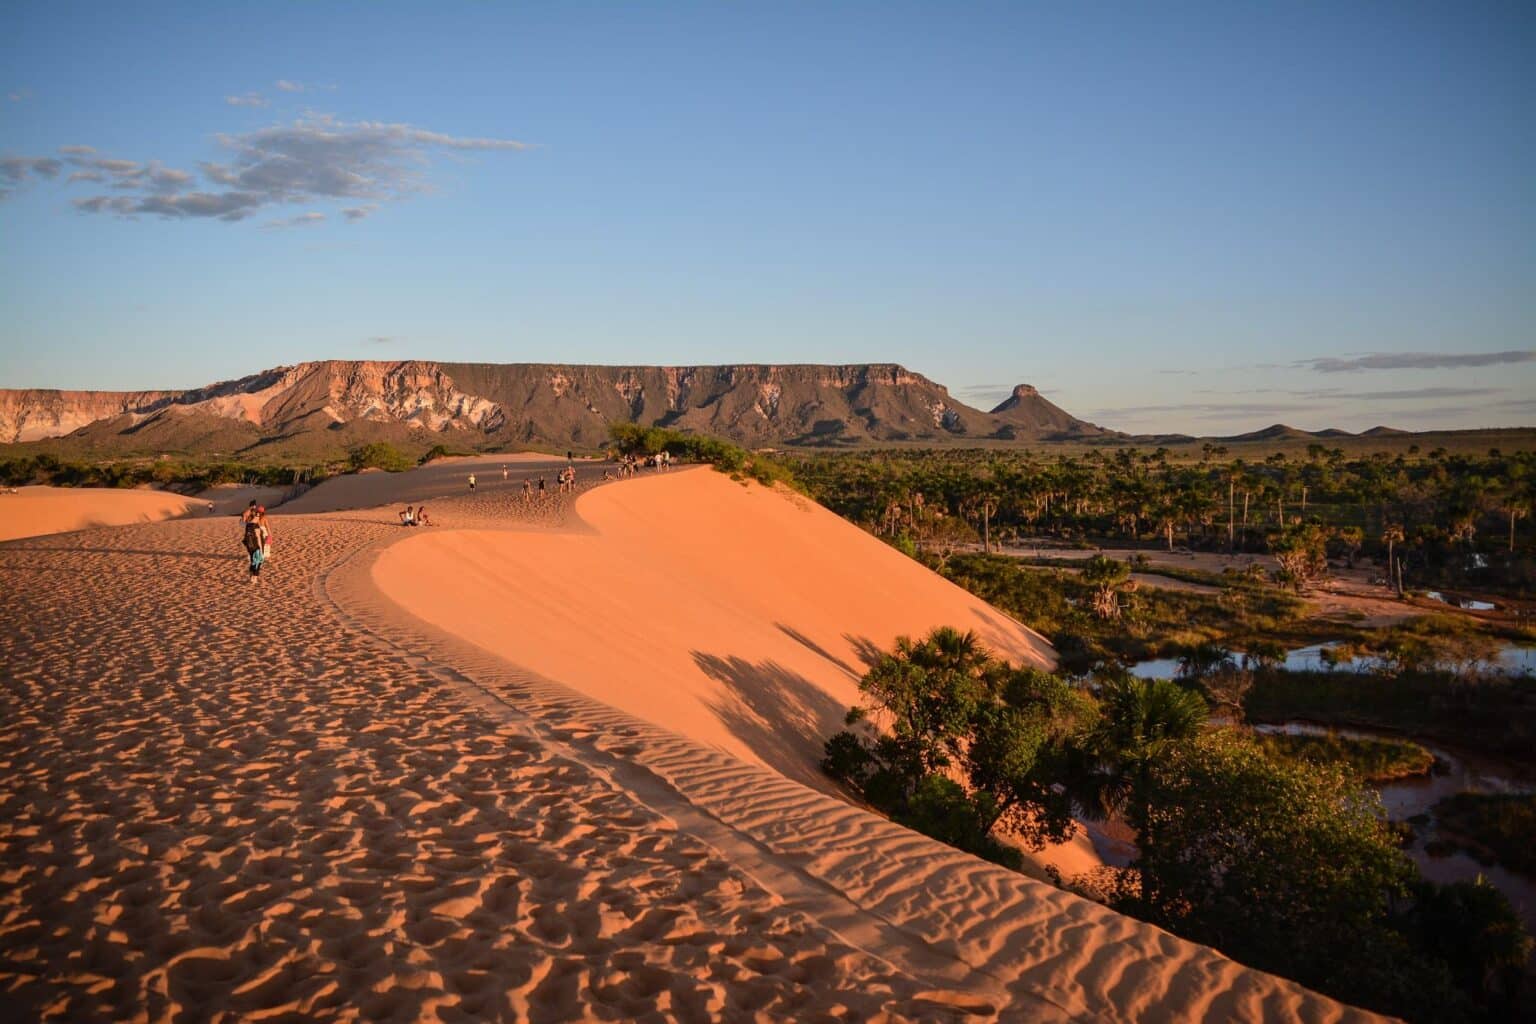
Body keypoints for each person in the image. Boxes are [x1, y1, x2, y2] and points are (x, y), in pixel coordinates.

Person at [242, 510, 266, 581]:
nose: (258, 518)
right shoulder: (255, 526)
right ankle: (254, 577)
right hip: (256, 546)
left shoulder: (248, 525)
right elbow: (258, 538)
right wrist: (261, 549)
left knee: (253, 560)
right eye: (257, 516)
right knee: (258, 560)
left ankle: (251, 575)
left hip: (249, 546)